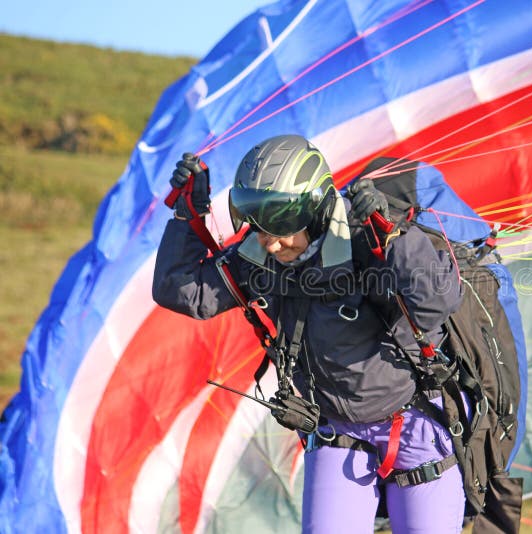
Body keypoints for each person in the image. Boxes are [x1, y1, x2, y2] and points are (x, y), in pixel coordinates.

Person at [152, 134, 466, 533]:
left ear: (313, 208)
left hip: (415, 428)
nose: (271, 241)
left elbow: (436, 303)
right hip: (337, 432)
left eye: (281, 225)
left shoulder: (365, 239)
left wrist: (393, 236)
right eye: (260, 226)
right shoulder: (261, 260)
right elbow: (182, 290)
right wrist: (187, 212)